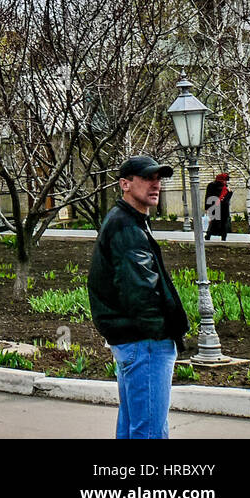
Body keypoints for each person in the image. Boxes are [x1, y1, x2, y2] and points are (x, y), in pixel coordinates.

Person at [87, 155, 189, 439]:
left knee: (135, 429)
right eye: (147, 178)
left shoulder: (128, 221)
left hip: (135, 342)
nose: (155, 184)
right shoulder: (126, 227)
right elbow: (140, 291)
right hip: (146, 343)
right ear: (125, 184)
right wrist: (158, 333)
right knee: (149, 433)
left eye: (158, 178)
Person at [204, 172, 233, 242]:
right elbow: (209, 196)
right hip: (218, 208)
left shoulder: (222, 187)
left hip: (219, 208)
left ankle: (212, 236)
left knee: (219, 223)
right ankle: (214, 236)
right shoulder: (218, 187)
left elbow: (208, 197)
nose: (226, 182)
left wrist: (207, 207)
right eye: (225, 180)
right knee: (218, 223)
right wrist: (229, 193)